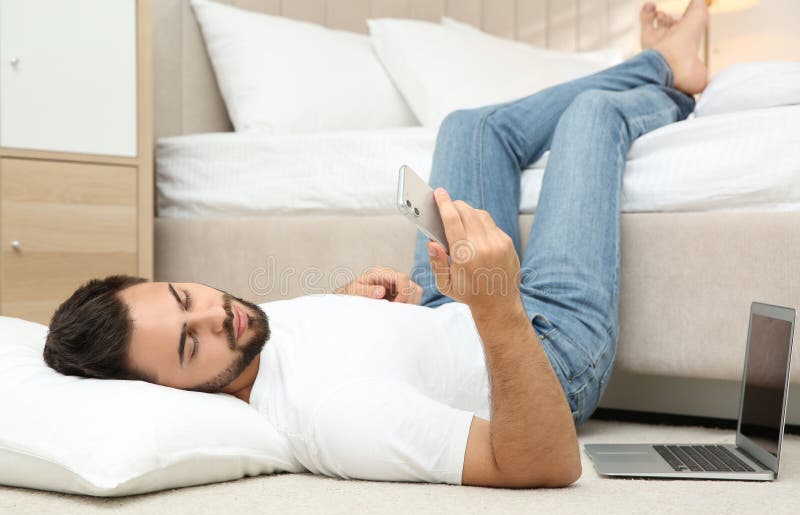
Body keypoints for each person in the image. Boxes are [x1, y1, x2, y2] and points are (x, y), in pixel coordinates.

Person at [42, 1, 709, 489]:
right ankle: (671, 83)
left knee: (470, 129)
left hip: (447, 309)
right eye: (192, 342)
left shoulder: (248, 344)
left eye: (187, 295)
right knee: (592, 118)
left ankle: (651, 61)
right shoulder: (339, 421)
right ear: (178, 396)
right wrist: (499, 308)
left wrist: (356, 306)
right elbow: (544, 462)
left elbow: (315, 354)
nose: (218, 314)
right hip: (547, 347)